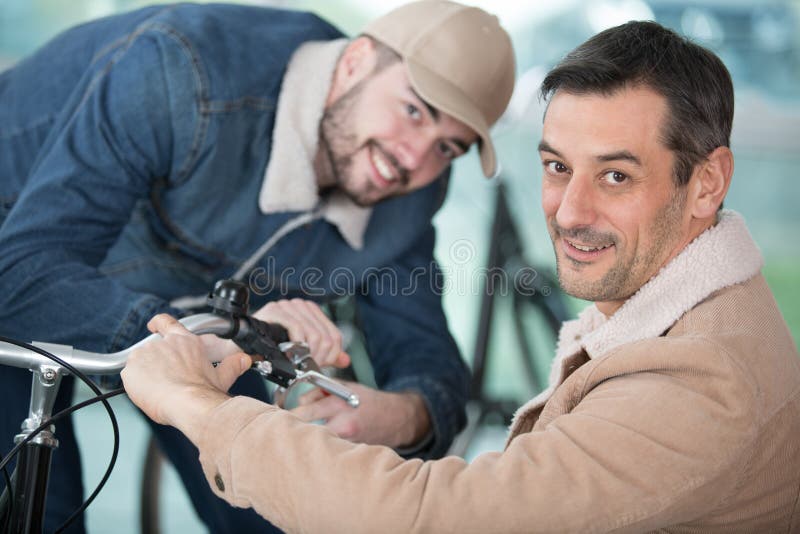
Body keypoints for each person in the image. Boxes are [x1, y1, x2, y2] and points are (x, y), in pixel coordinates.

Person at [122, 19, 800, 532]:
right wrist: (392, 415)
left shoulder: (703, 382)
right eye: (558, 166)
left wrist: (198, 407)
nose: (569, 212)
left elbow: (438, 518)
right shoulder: (685, 307)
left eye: (616, 175)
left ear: (707, 184)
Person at [0, 1, 515, 532]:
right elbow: (18, 270)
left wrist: (401, 414)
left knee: (270, 501)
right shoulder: (179, 72)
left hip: (180, 316)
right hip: (19, 251)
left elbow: (428, 357)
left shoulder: (409, 189)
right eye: (414, 110)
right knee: (44, 512)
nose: (414, 159)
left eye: (448, 147)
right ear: (358, 61)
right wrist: (228, 335)